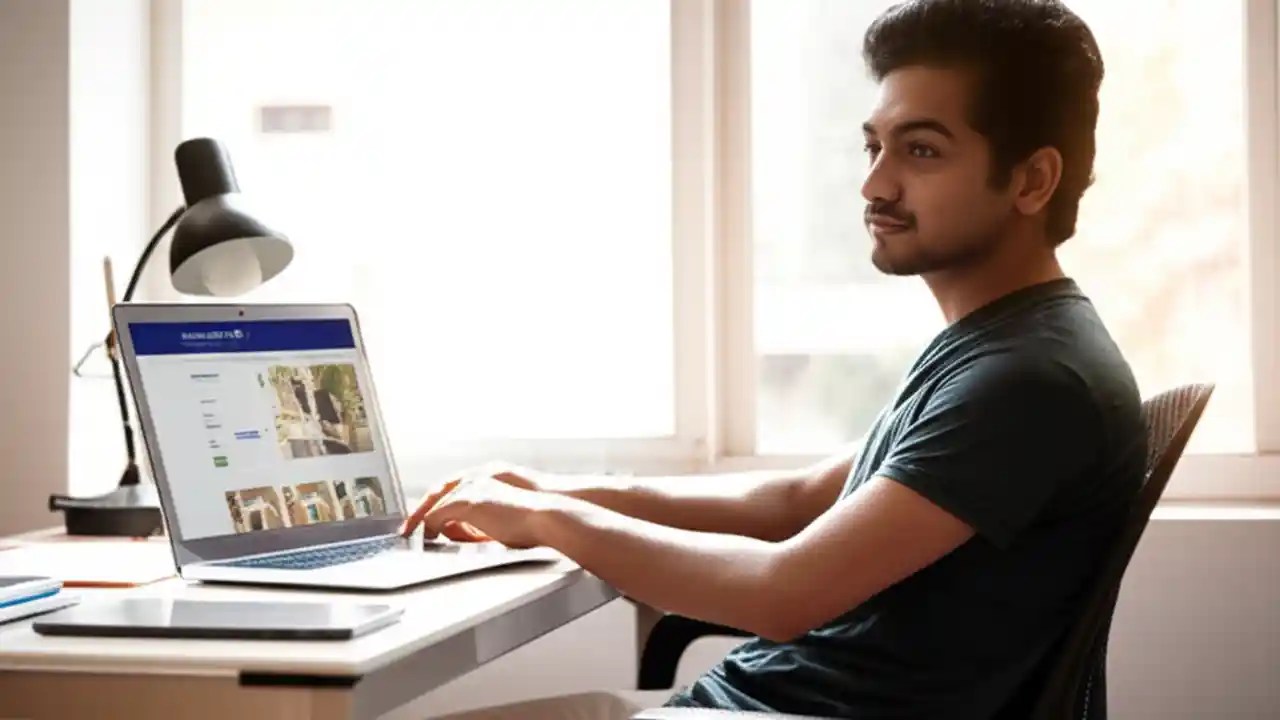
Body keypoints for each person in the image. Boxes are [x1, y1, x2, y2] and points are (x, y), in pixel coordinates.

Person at [400, 1, 1146, 718]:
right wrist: (560, 490)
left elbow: (781, 595)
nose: (875, 183)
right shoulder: (1002, 344)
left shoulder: (1029, 380)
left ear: (1032, 180)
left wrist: (547, 518)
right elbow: (794, 502)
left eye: (920, 150)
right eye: (874, 146)